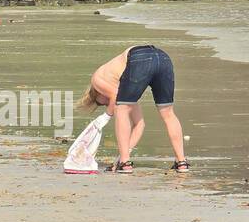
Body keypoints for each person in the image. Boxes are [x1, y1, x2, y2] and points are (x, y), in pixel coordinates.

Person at [77, 44, 189, 173]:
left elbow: (114, 99)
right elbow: (139, 124)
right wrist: (123, 154)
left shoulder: (96, 80)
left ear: (95, 93)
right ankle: (181, 162)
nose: (107, 105)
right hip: (163, 59)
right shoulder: (122, 88)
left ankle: (124, 163)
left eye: (102, 103)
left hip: (140, 57)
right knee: (168, 113)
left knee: (121, 109)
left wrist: (106, 116)